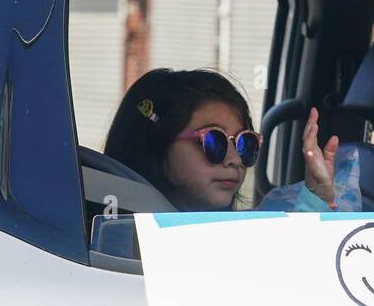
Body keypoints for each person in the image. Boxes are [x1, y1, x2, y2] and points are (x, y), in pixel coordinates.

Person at [105, 67, 349, 212]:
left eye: (246, 144)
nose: (235, 161)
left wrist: (317, 196)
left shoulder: (240, 239)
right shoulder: (111, 245)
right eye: (215, 141)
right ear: (156, 144)